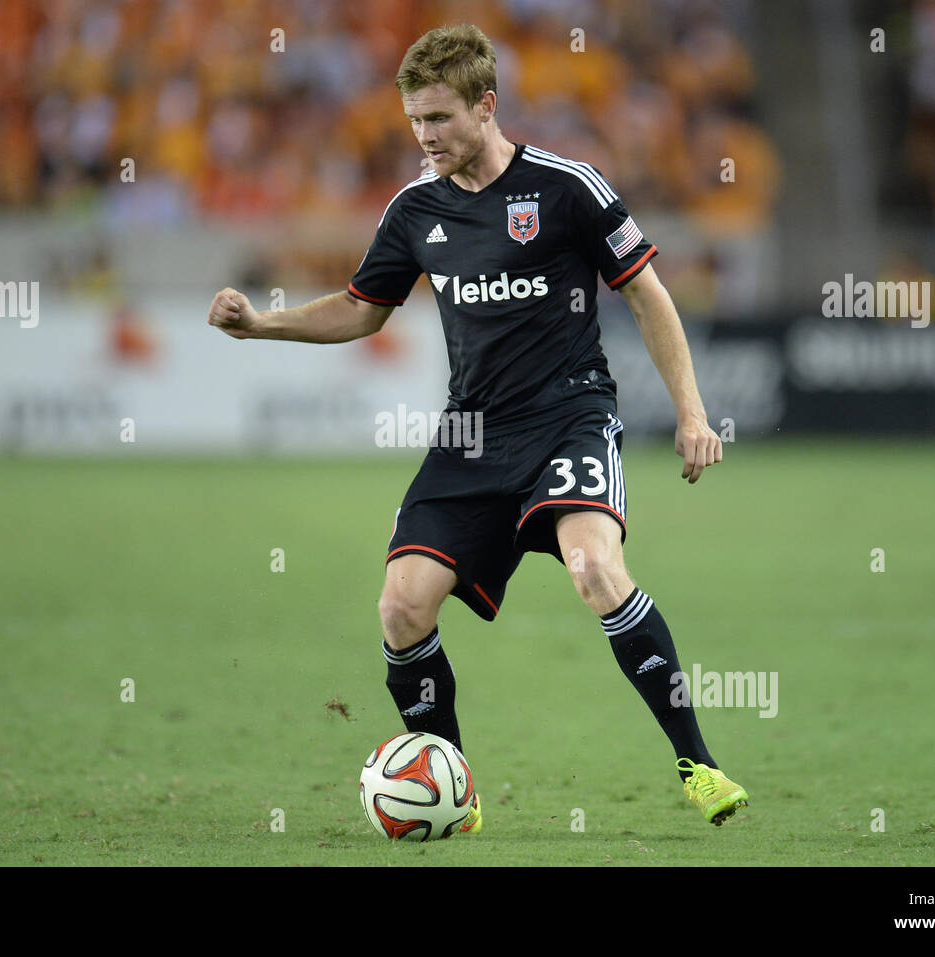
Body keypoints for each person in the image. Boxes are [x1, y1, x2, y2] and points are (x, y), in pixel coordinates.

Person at [208, 24, 748, 832]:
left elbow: (647, 294)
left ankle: (698, 765)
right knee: (401, 608)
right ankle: (450, 794)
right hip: (471, 437)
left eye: (439, 119)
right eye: (414, 122)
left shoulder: (569, 187)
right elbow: (361, 310)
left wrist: (693, 412)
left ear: (485, 106)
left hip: (569, 417)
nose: (425, 138)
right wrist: (262, 322)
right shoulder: (414, 209)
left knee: (596, 569)